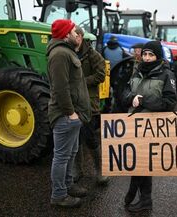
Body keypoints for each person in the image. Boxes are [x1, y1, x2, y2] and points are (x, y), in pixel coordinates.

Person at [122, 41, 177, 212]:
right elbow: (124, 92)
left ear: (158, 56)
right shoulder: (136, 70)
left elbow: (170, 102)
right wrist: (130, 98)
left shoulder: (166, 74)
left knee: (145, 164)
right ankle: (134, 192)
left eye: (150, 55)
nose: (146, 58)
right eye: (145, 54)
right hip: (134, 124)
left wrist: (145, 100)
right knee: (135, 160)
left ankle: (144, 200)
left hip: (153, 127)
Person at [46, 19, 91, 208]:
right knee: (62, 156)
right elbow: (60, 88)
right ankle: (58, 195)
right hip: (66, 116)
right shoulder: (59, 54)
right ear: (65, 35)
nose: (77, 34)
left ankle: (67, 185)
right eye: (74, 31)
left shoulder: (67, 51)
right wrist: (70, 112)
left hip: (73, 115)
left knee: (71, 153)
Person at [73, 26, 109, 186]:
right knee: (75, 136)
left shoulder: (93, 55)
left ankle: (100, 169)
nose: (70, 37)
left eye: (72, 34)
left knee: (90, 136)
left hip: (89, 102)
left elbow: (101, 75)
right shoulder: (69, 52)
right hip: (73, 101)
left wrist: (81, 82)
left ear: (79, 36)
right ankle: (77, 170)